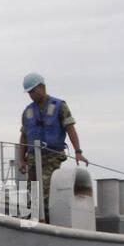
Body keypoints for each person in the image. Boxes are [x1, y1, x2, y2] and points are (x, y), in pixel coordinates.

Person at [16, 72, 87, 220]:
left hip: (52, 157)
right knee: (33, 192)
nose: (31, 95)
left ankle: (46, 221)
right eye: (29, 93)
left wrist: (78, 151)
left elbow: (70, 129)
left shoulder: (60, 106)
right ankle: (35, 220)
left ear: (42, 87)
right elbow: (23, 136)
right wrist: (21, 160)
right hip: (33, 159)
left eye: (33, 91)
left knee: (46, 189)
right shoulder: (27, 112)